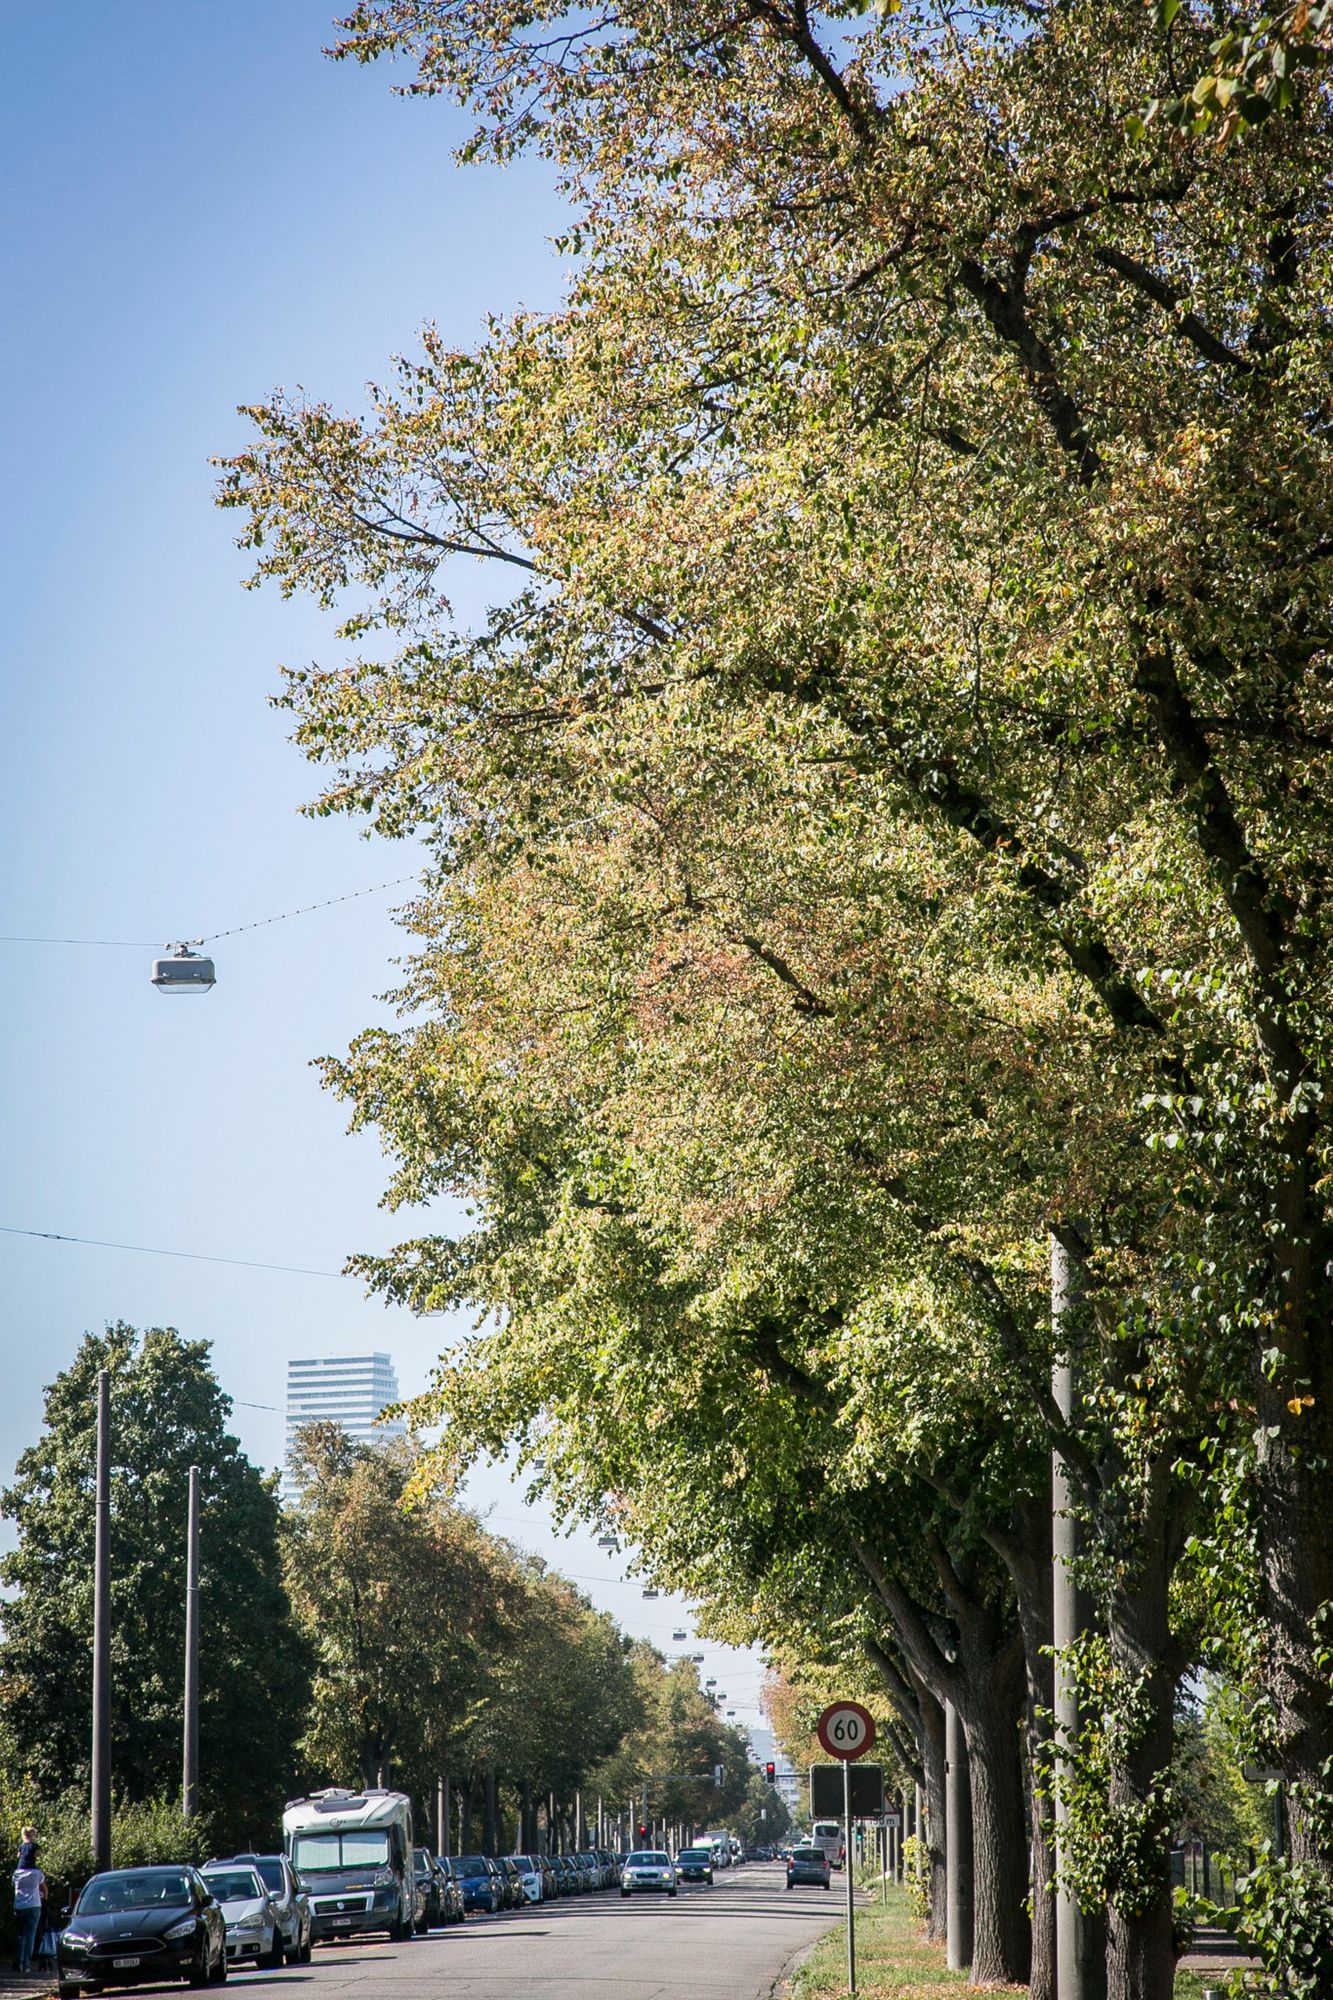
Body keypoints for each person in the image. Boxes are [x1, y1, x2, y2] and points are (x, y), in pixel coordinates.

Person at [12, 1842, 46, 1976]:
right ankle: (26, 1964)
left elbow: (13, 1886)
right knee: (30, 1935)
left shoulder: (16, 1873)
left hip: (19, 1906)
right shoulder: (37, 1873)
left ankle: (18, 1962)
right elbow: (44, 1889)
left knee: (20, 1935)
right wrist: (44, 1896)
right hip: (33, 1905)